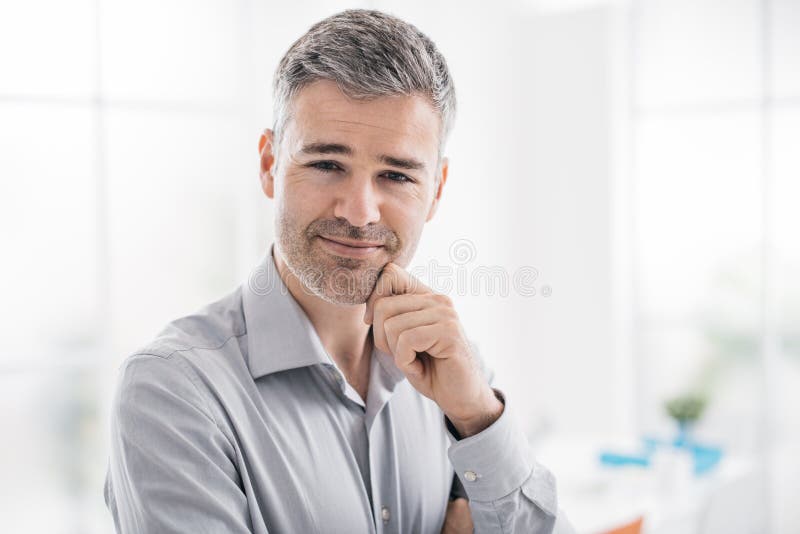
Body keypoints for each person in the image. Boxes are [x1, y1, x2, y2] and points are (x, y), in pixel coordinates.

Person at [104, 9, 576, 533]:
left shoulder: (456, 373)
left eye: (396, 175)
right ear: (269, 165)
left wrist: (479, 420)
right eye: (327, 164)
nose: (360, 211)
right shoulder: (173, 392)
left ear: (436, 190)